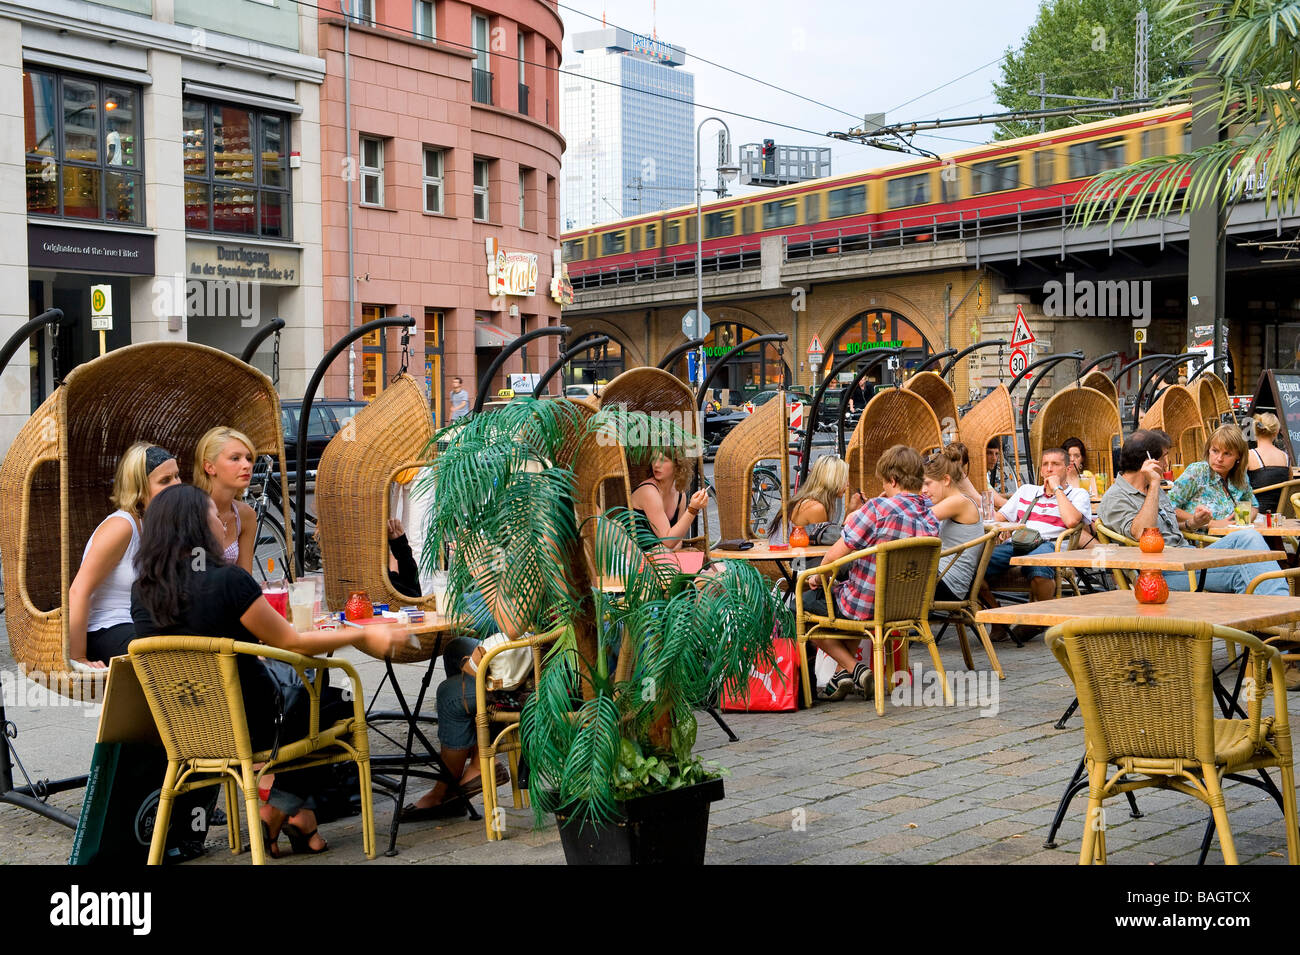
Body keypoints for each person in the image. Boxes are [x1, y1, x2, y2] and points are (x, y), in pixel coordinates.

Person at [130, 485, 409, 856]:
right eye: (213, 514)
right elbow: (290, 642)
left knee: (304, 693)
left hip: (187, 726)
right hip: (254, 725)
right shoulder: (229, 581)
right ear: (196, 526)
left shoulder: (142, 592)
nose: (221, 520)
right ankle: (279, 810)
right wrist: (361, 637)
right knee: (334, 700)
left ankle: (300, 818)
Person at [802, 445, 939, 702]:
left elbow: (834, 555)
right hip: (908, 608)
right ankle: (842, 676)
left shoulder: (878, 509)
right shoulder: (929, 515)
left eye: (885, 483)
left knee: (804, 602)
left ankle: (854, 668)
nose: (883, 489)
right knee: (843, 598)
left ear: (893, 479)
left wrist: (816, 577)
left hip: (867, 606)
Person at [1097, 429, 1287, 596]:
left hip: (1188, 557)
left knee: (1248, 536)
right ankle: (1281, 620)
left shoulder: (1150, 488)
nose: (1166, 463)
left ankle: (1280, 616)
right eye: (1164, 457)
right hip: (1164, 572)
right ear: (1149, 462)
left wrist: (1192, 523)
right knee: (1245, 570)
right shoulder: (1117, 498)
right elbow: (1142, 534)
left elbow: (1166, 528)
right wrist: (1155, 484)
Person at [67, 444, 182, 669]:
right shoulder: (121, 526)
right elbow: (79, 590)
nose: (176, 484)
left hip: (144, 624)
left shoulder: (161, 524)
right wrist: (78, 658)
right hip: (106, 628)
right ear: (139, 489)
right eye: (165, 480)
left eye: (177, 476)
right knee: (167, 661)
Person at [985, 448, 1092, 604]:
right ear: (1041, 470)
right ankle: (997, 619)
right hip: (1019, 543)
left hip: (1051, 545)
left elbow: (1071, 521)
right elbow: (998, 518)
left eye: (1055, 464)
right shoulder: (1027, 490)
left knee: (1037, 565)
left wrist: (1057, 489)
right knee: (972, 565)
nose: (1049, 469)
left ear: (1068, 468)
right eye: (1045, 465)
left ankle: (1039, 619)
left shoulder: (1078, 494)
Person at [922, 446, 984, 602]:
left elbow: (917, 522)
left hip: (947, 583)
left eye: (928, 483)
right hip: (940, 578)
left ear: (946, 479)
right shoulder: (949, 501)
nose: (923, 489)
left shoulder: (959, 501)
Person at [193, 426, 256, 573]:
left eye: (249, 458)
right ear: (209, 467)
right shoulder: (193, 513)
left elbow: (245, 580)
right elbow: (195, 575)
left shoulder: (245, 514)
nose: (246, 465)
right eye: (235, 458)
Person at [1169, 423, 1258, 528]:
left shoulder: (1241, 477)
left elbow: (1253, 506)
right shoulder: (1198, 471)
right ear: (1208, 450)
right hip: (1203, 541)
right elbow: (1168, 508)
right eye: (1215, 451)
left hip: (1233, 537)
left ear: (1238, 456)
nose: (1219, 458)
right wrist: (1211, 524)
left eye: (1227, 453)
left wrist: (1240, 523)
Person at [630, 447, 708, 552]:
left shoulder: (680, 495)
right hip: (632, 557)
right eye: (654, 459)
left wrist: (669, 551)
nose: (656, 465)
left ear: (677, 465)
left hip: (660, 558)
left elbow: (678, 539)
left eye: (663, 460)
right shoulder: (649, 491)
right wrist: (692, 509)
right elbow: (668, 541)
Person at [781, 454, 865, 535]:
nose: (848, 484)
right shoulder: (815, 508)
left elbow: (829, 538)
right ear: (833, 480)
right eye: (844, 479)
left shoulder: (809, 501)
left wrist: (850, 510)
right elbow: (830, 543)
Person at [1247, 413, 1290, 513]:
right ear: (1276, 433)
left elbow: (1237, 484)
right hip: (1282, 515)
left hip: (1256, 514)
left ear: (1255, 431)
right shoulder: (1286, 457)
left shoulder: (1250, 455)